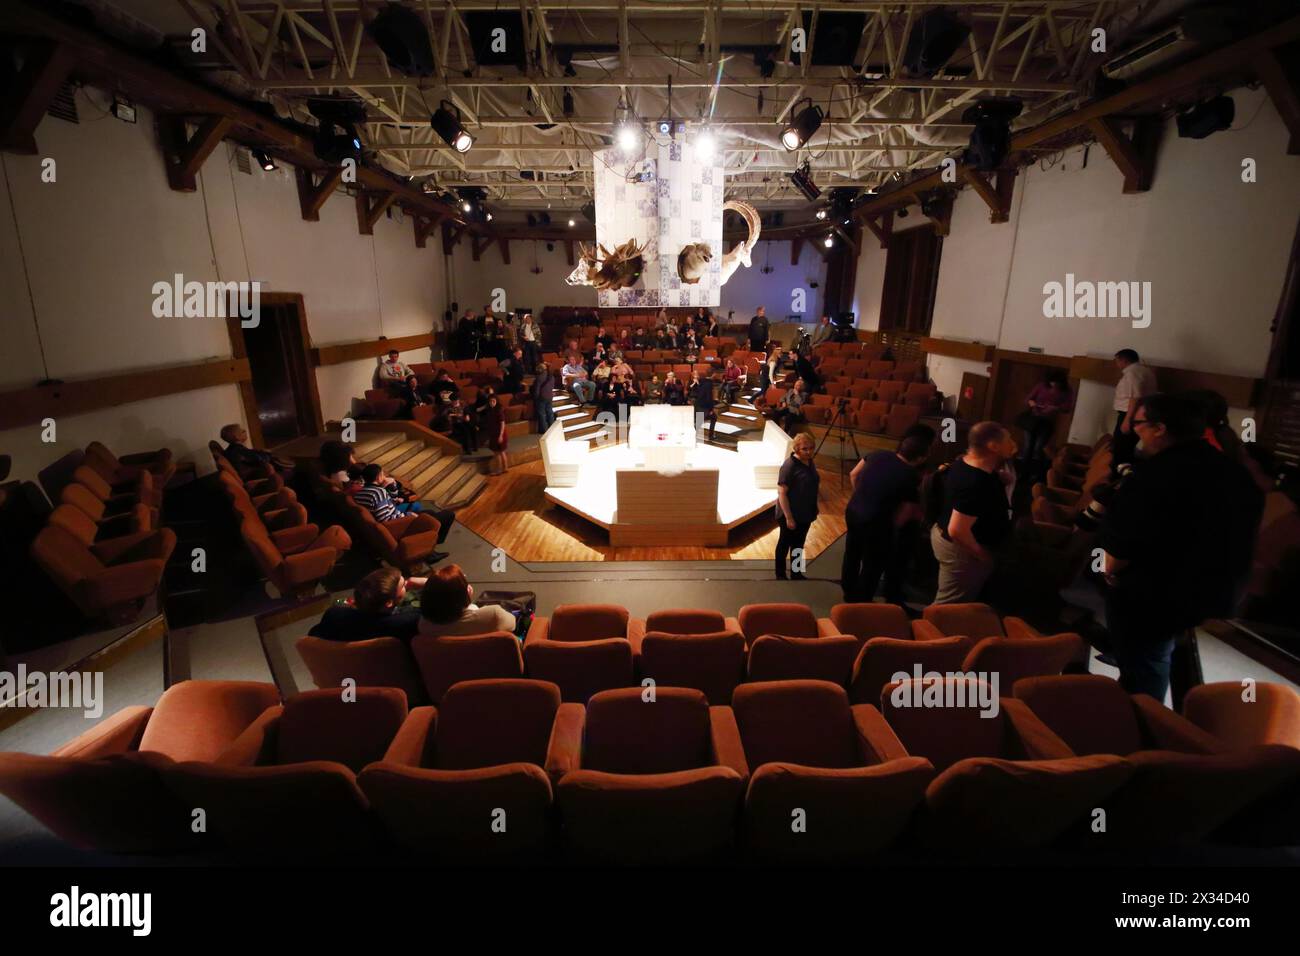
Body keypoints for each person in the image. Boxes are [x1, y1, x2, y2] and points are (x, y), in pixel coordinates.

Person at [1100, 393, 1263, 704]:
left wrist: (1111, 569)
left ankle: (1142, 731)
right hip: (1216, 589)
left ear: (1160, 428)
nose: (1136, 431)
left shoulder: (1154, 475)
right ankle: (1184, 723)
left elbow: (1121, 544)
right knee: (1174, 658)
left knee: (1144, 669)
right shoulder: (1234, 472)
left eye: (1139, 424)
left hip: (1155, 594)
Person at [841, 425, 935, 604]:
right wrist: (892, 527)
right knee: (872, 563)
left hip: (853, 511)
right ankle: (862, 600)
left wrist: (863, 494)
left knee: (852, 553)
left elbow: (853, 474)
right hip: (877, 522)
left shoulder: (877, 454)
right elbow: (905, 513)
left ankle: (848, 589)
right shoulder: (911, 476)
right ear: (921, 457)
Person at [930, 421, 1017, 604]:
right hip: (962, 551)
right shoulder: (976, 482)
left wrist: (999, 480)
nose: (1014, 444)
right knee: (949, 606)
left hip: (953, 540)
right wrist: (982, 556)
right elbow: (958, 530)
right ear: (993, 446)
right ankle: (927, 631)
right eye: (1008, 440)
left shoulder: (964, 462)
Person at [308, 568, 423, 643]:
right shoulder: (407, 621)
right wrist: (426, 582)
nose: (407, 585)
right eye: (403, 586)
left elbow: (312, 637)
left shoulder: (334, 613)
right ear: (389, 603)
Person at [417, 563, 518, 638]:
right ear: (463, 593)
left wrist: (437, 585)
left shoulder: (424, 625)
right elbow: (513, 623)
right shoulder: (493, 615)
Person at [775, 433, 819, 580]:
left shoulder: (810, 462)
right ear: (796, 449)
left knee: (799, 544)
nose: (809, 452)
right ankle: (780, 574)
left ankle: (796, 573)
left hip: (805, 512)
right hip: (790, 513)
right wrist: (789, 518)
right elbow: (782, 493)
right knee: (784, 544)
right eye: (805, 449)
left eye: (811, 448)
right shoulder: (789, 466)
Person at [1019, 369, 1074, 475]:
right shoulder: (1041, 386)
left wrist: (1056, 408)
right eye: (1051, 382)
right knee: (1028, 446)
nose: (1053, 384)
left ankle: (1038, 473)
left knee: (1039, 447)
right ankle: (1023, 472)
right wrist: (1032, 403)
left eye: (1056, 382)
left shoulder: (1068, 390)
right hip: (1033, 418)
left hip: (1047, 421)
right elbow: (1028, 399)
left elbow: (1067, 407)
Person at [1112, 348, 1157, 474]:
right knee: (1127, 448)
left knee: (1121, 449)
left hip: (1129, 414)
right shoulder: (1145, 371)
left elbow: (1135, 397)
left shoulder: (1132, 373)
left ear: (1124, 360)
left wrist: (1127, 420)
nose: (1117, 364)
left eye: (1117, 360)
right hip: (1140, 414)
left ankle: (1117, 480)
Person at [353, 464, 422, 521]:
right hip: (395, 521)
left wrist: (392, 500)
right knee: (417, 505)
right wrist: (408, 515)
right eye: (382, 475)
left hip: (390, 511)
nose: (384, 477)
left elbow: (379, 505)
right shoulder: (379, 492)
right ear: (378, 477)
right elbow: (385, 519)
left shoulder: (359, 493)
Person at [219, 423, 291, 474]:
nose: (246, 431)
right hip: (254, 474)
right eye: (243, 431)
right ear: (236, 437)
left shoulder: (233, 449)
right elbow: (262, 460)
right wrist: (266, 453)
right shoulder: (239, 450)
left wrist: (259, 451)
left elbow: (251, 455)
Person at [482, 393, 509, 474]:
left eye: (493, 401)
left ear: (496, 401)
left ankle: (499, 470)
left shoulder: (498, 410)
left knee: (498, 452)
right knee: (501, 452)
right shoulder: (490, 410)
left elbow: (502, 423)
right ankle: (505, 468)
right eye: (490, 401)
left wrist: (500, 435)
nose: (492, 403)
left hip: (499, 434)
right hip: (494, 434)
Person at [690, 371, 717, 442]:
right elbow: (709, 397)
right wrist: (711, 409)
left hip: (698, 404)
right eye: (714, 375)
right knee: (712, 418)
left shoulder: (700, 381)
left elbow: (696, 392)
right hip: (704, 406)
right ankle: (710, 436)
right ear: (712, 375)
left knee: (702, 421)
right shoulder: (709, 383)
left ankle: (709, 436)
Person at [532, 363, 556, 433]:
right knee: (550, 412)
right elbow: (552, 386)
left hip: (542, 397)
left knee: (542, 414)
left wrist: (535, 397)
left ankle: (544, 430)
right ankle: (552, 428)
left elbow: (537, 390)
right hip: (550, 396)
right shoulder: (551, 377)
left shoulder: (539, 378)